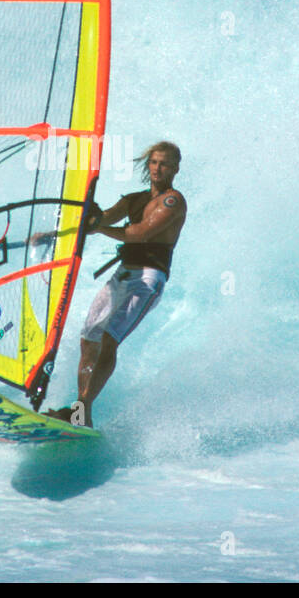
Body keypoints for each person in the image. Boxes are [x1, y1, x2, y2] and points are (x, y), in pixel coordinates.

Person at [45, 141, 185, 427]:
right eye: (154, 162)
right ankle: (82, 412)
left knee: (109, 339)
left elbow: (138, 234)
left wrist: (99, 226)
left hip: (147, 278)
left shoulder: (173, 201)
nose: (158, 168)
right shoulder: (134, 199)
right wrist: (61, 230)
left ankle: (80, 410)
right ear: (149, 165)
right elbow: (101, 219)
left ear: (175, 168)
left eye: (165, 164)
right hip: (122, 275)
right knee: (89, 338)